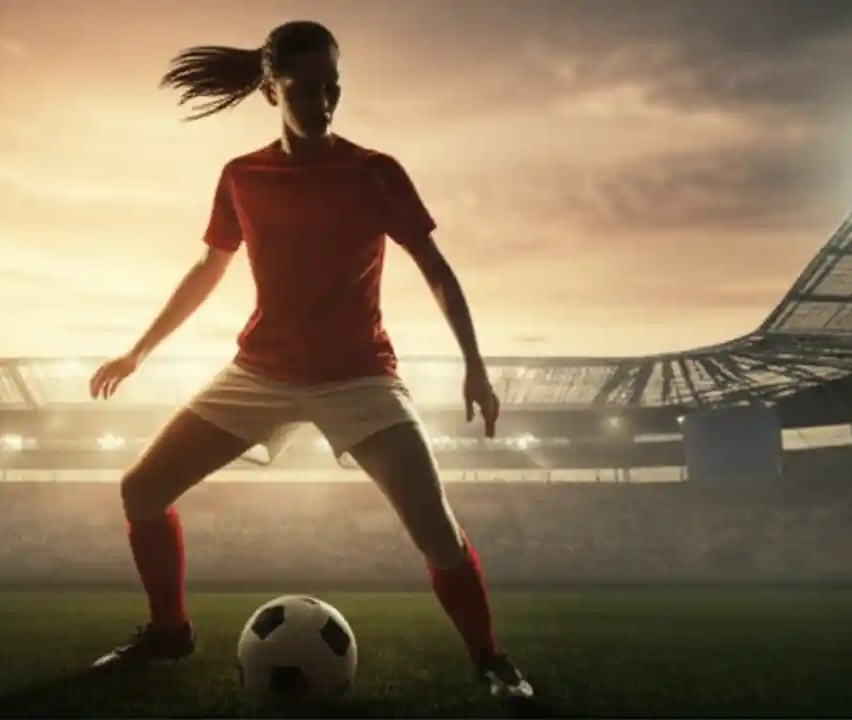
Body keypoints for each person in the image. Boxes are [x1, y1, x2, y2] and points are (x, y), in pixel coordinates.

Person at [87, 20, 533, 700]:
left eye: (334, 87)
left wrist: (474, 363)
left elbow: (437, 270)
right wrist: (138, 351)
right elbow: (209, 269)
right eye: (308, 88)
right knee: (141, 490)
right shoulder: (242, 176)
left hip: (359, 377)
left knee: (437, 529)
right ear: (272, 89)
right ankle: (169, 631)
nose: (325, 102)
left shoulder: (373, 172)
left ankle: (492, 661)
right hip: (258, 375)